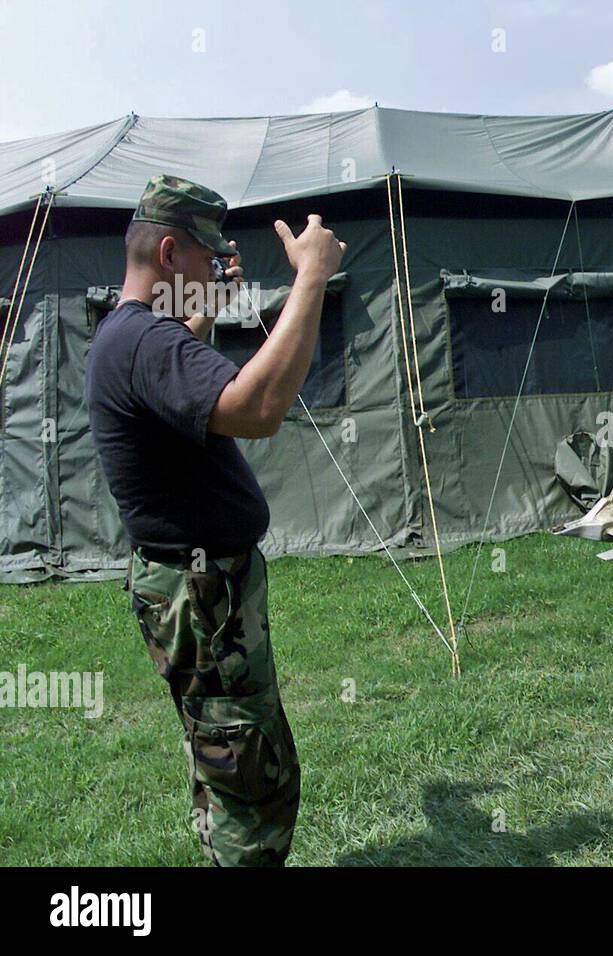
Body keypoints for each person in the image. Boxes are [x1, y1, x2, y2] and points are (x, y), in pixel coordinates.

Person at [85, 174, 345, 866]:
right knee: (251, 787)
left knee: (227, 761)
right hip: (202, 600)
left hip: (197, 594)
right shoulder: (143, 345)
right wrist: (311, 279)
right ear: (169, 253)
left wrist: (204, 306)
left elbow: (180, 367)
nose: (217, 270)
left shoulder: (133, 337)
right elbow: (256, 408)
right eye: (208, 259)